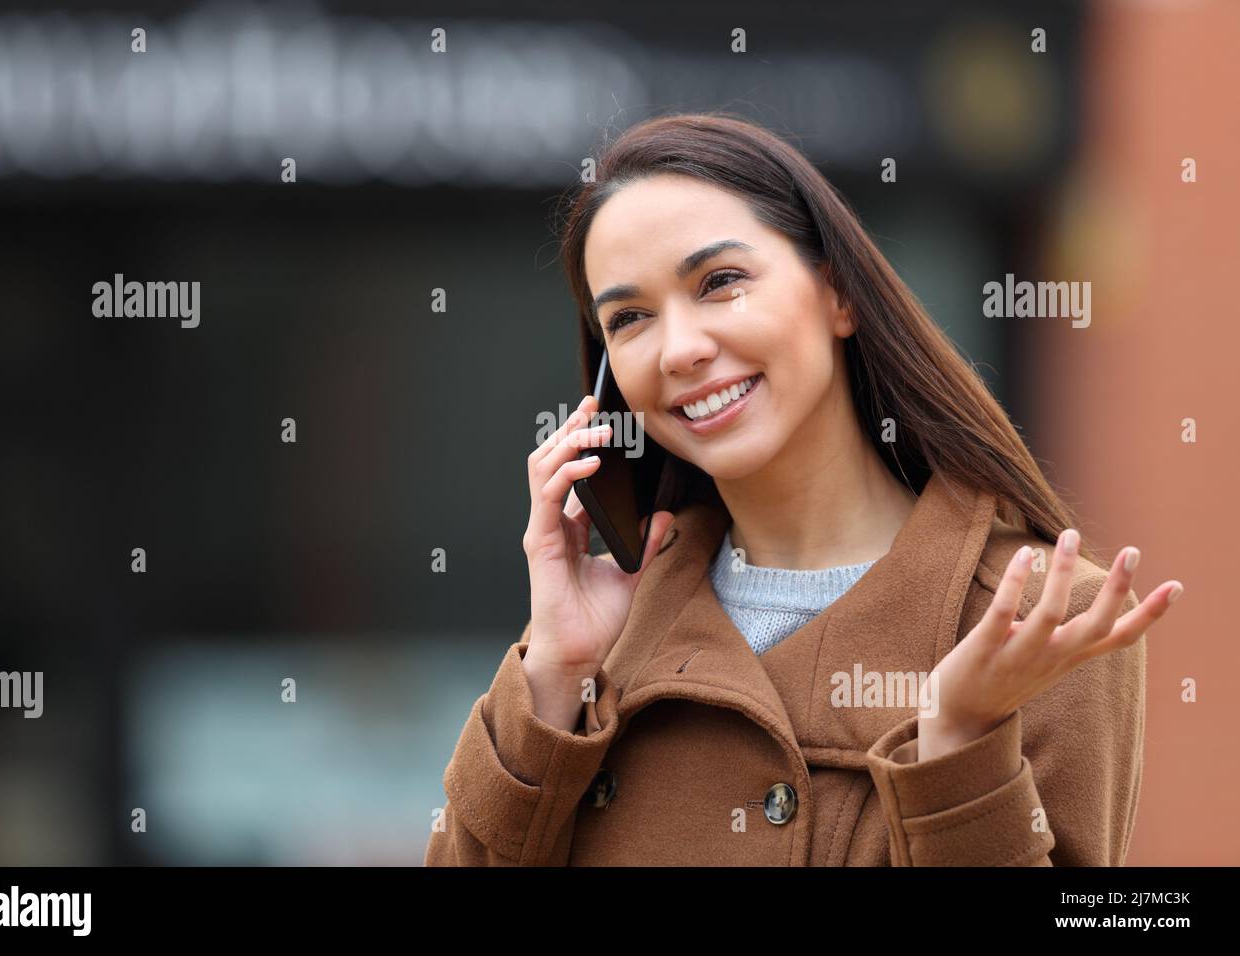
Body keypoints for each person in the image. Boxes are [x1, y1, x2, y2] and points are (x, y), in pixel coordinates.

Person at [424, 112, 1184, 866]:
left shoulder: (1039, 618)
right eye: (629, 319)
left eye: (720, 282)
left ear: (838, 296)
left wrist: (958, 746)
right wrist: (554, 672)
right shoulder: (598, 642)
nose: (682, 349)